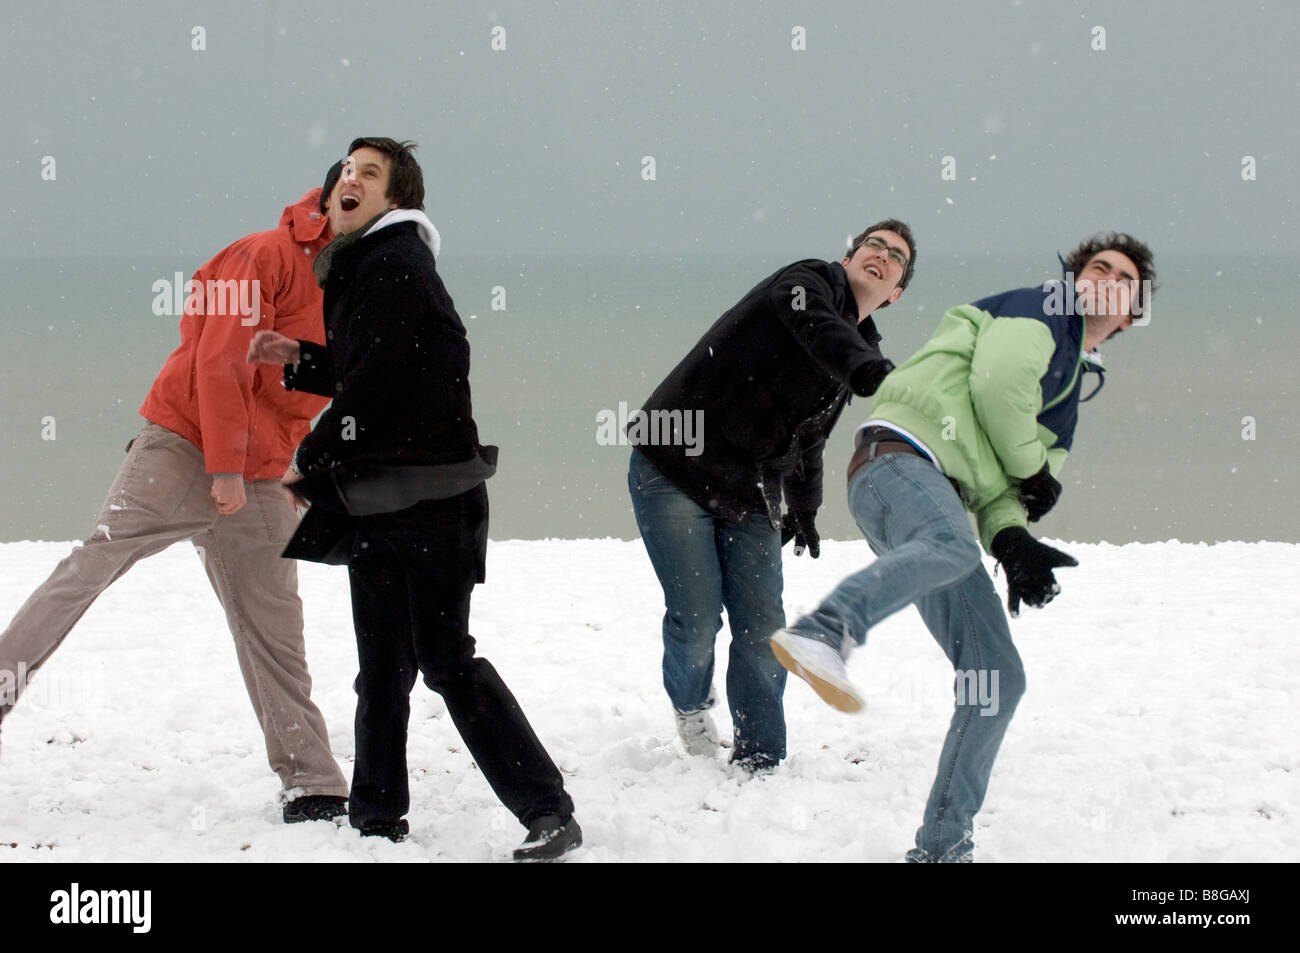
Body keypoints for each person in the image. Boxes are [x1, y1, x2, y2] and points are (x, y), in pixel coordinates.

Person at [770, 233, 1156, 861]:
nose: (1106, 277)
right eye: (1098, 266)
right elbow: (997, 383)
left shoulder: (1066, 403)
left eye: (1123, 278)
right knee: (952, 545)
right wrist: (1031, 471)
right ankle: (826, 628)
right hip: (899, 459)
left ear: (1130, 312)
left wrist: (1014, 543)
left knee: (996, 679)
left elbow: (1009, 487)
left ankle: (943, 848)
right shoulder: (1042, 309)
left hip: (935, 506)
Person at [247, 137, 581, 861]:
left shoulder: (394, 262)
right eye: (344, 170)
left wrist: (312, 458)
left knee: (444, 660)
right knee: (384, 669)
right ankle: (375, 816)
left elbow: (382, 379)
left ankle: (548, 809)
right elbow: (375, 365)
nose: (349, 179)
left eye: (369, 173)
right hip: (388, 499)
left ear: (396, 200)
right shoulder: (369, 264)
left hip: (431, 501)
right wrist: (302, 359)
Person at [0, 164, 352, 823]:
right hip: (186, 447)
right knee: (91, 567)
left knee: (275, 623)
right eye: (352, 185)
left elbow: (308, 391)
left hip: (261, 473)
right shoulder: (262, 254)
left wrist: (295, 467)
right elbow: (223, 362)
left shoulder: (350, 285)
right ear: (329, 196)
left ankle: (312, 781)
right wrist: (222, 467)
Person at [628, 222, 914, 772]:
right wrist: (862, 367)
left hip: (748, 490)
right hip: (672, 464)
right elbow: (814, 324)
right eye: (872, 245)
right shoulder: (805, 283)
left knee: (763, 630)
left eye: (896, 257)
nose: (881, 254)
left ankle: (761, 758)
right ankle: (689, 703)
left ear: (896, 292)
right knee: (696, 618)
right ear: (849, 258)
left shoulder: (857, 348)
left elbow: (808, 437)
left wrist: (806, 508)